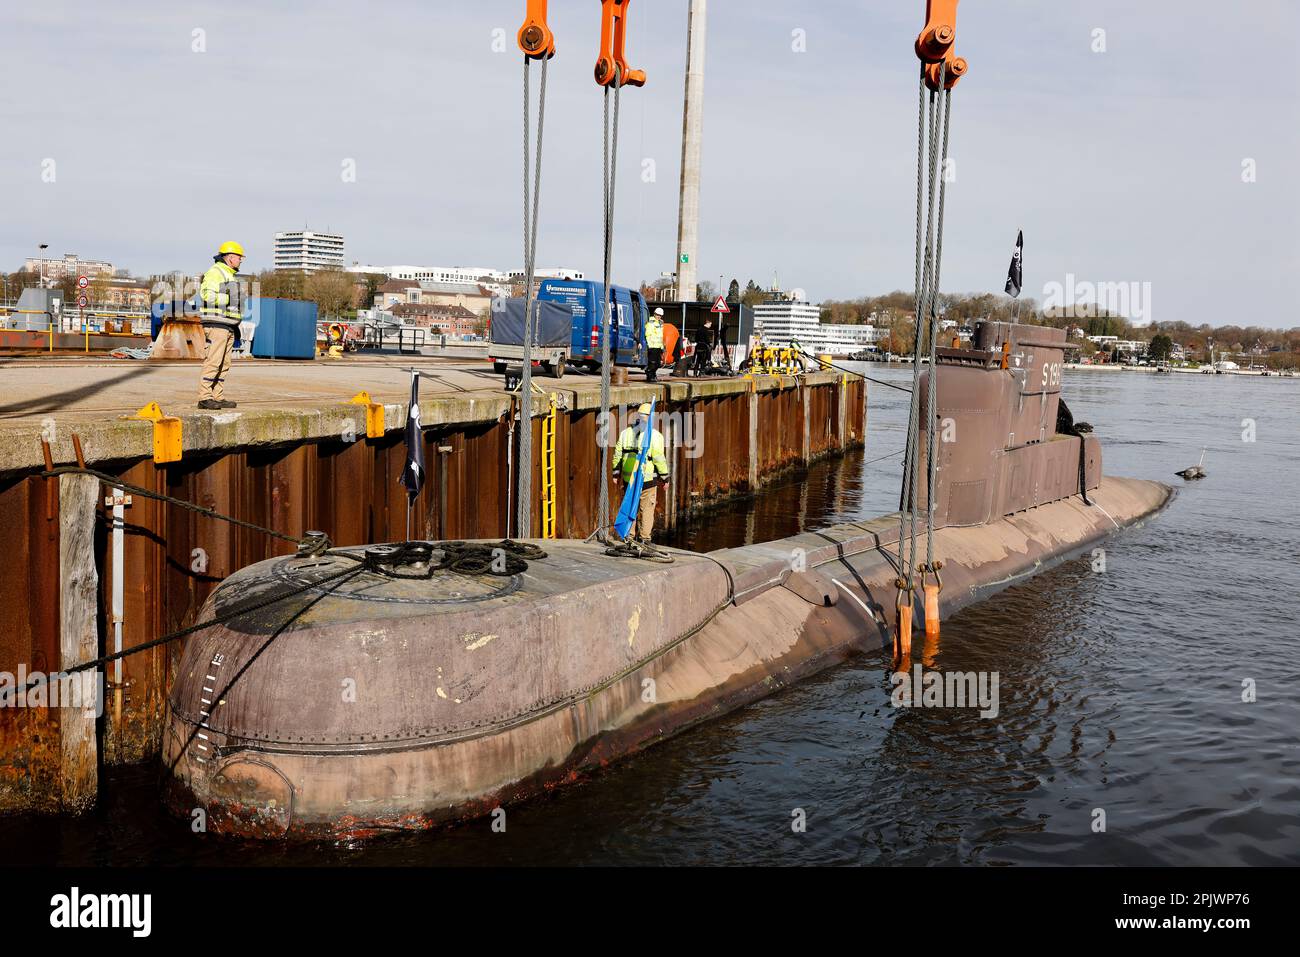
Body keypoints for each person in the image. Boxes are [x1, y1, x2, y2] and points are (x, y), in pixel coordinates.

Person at [612, 403, 670, 544]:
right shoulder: (655, 436)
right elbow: (658, 458)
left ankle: (628, 537)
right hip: (647, 480)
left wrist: (616, 473)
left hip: (629, 479)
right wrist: (665, 477)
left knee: (631, 506)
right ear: (650, 417)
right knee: (647, 510)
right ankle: (645, 539)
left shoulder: (625, 433)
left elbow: (617, 454)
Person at [197, 240, 246, 409]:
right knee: (214, 361)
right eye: (240, 258)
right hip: (217, 325)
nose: (241, 261)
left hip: (228, 325)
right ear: (231, 257)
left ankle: (217, 396)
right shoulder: (216, 272)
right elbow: (207, 296)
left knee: (224, 363)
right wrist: (230, 299)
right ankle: (205, 397)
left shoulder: (229, 275)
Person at [645, 306, 665, 381]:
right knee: (652, 363)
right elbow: (648, 334)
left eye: (660, 315)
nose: (658, 316)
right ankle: (650, 376)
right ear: (654, 314)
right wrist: (649, 345)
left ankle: (652, 374)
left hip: (659, 346)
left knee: (658, 364)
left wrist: (662, 347)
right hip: (652, 346)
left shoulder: (660, 323)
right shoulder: (651, 322)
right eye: (657, 315)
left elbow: (660, 336)